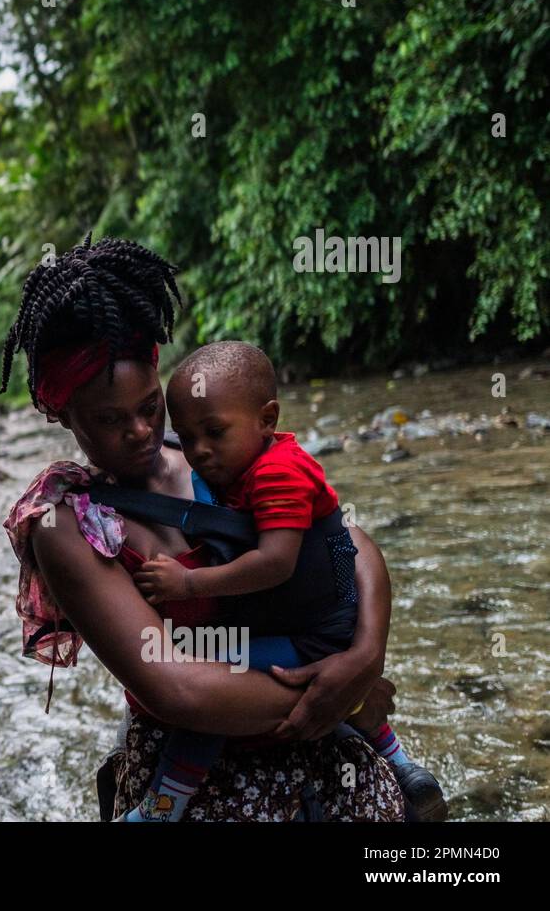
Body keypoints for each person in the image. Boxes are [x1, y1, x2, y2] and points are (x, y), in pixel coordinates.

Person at [0, 234, 407, 820]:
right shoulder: (64, 525)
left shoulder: (212, 447)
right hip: (192, 780)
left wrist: (365, 654)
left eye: (148, 407)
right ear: (60, 412)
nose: (140, 432)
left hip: (320, 745)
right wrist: (341, 697)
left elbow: (345, 542)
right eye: (109, 420)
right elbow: (178, 687)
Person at [125, 340, 446, 821]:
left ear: (267, 419)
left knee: (214, 669)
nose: (199, 451)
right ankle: (401, 762)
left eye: (214, 432)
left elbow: (276, 563)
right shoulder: (254, 461)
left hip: (318, 631)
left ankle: (163, 806)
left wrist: (189, 585)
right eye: (187, 437)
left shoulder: (278, 474)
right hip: (321, 622)